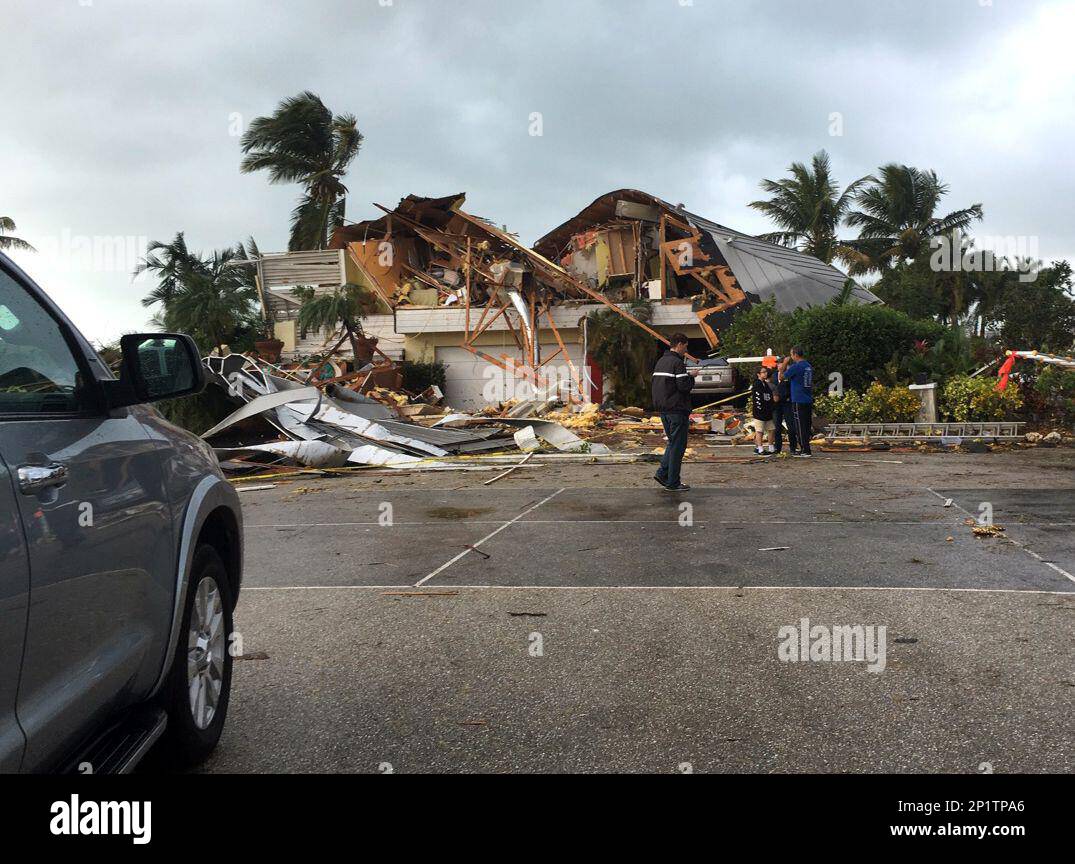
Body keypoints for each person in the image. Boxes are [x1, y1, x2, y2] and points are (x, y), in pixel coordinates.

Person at [651, 333, 698, 491]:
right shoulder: (677, 363)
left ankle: (663, 474)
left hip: (664, 410)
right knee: (678, 446)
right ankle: (673, 483)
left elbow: (668, 383)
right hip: (677, 410)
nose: (686, 349)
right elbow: (683, 386)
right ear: (679, 344)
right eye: (685, 346)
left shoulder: (661, 362)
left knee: (673, 444)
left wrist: (686, 375)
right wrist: (691, 378)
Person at [783, 346, 814, 457]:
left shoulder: (796, 367)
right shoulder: (808, 366)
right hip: (807, 398)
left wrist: (784, 364)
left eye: (791, 355)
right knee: (806, 424)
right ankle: (807, 447)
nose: (791, 357)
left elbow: (782, 377)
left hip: (798, 398)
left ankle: (805, 449)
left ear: (795, 354)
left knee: (799, 426)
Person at [772, 356, 798, 455]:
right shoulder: (774, 375)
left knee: (790, 426)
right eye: (778, 364)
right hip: (776, 404)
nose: (779, 365)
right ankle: (777, 447)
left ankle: (793, 447)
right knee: (777, 427)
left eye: (781, 363)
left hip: (787, 402)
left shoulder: (789, 376)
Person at [751, 365, 776, 455]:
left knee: (772, 429)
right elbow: (757, 399)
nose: (765, 374)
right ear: (758, 374)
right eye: (763, 372)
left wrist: (771, 407)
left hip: (767, 411)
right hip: (759, 412)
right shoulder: (757, 384)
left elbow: (769, 397)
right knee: (759, 430)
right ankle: (760, 448)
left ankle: (771, 447)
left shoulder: (765, 384)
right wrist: (760, 410)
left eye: (766, 372)